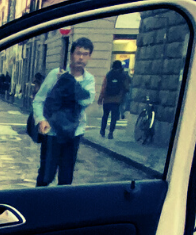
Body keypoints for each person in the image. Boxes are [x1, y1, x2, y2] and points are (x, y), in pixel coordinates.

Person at [33, 38, 97, 186]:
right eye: (78, 53)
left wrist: (68, 80)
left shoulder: (89, 79)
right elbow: (39, 100)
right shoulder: (55, 74)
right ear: (71, 54)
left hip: (73, 132)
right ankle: (38, 200)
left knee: (66, 177)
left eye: (85, 54)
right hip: (52, 131)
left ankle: (61, 201)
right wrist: (41, 119)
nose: (81, 58)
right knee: (45, 175)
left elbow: (85, 101)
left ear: (89, 56)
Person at [99, 59, 130, 139]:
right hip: (117, 100)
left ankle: (102, 131)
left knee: (105, 115)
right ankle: (111, 133)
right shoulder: (123, 75)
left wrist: (100, 98)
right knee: (114, 117)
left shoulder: (109, 74)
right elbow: (127, 87)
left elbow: (104, 87)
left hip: (107, 99)